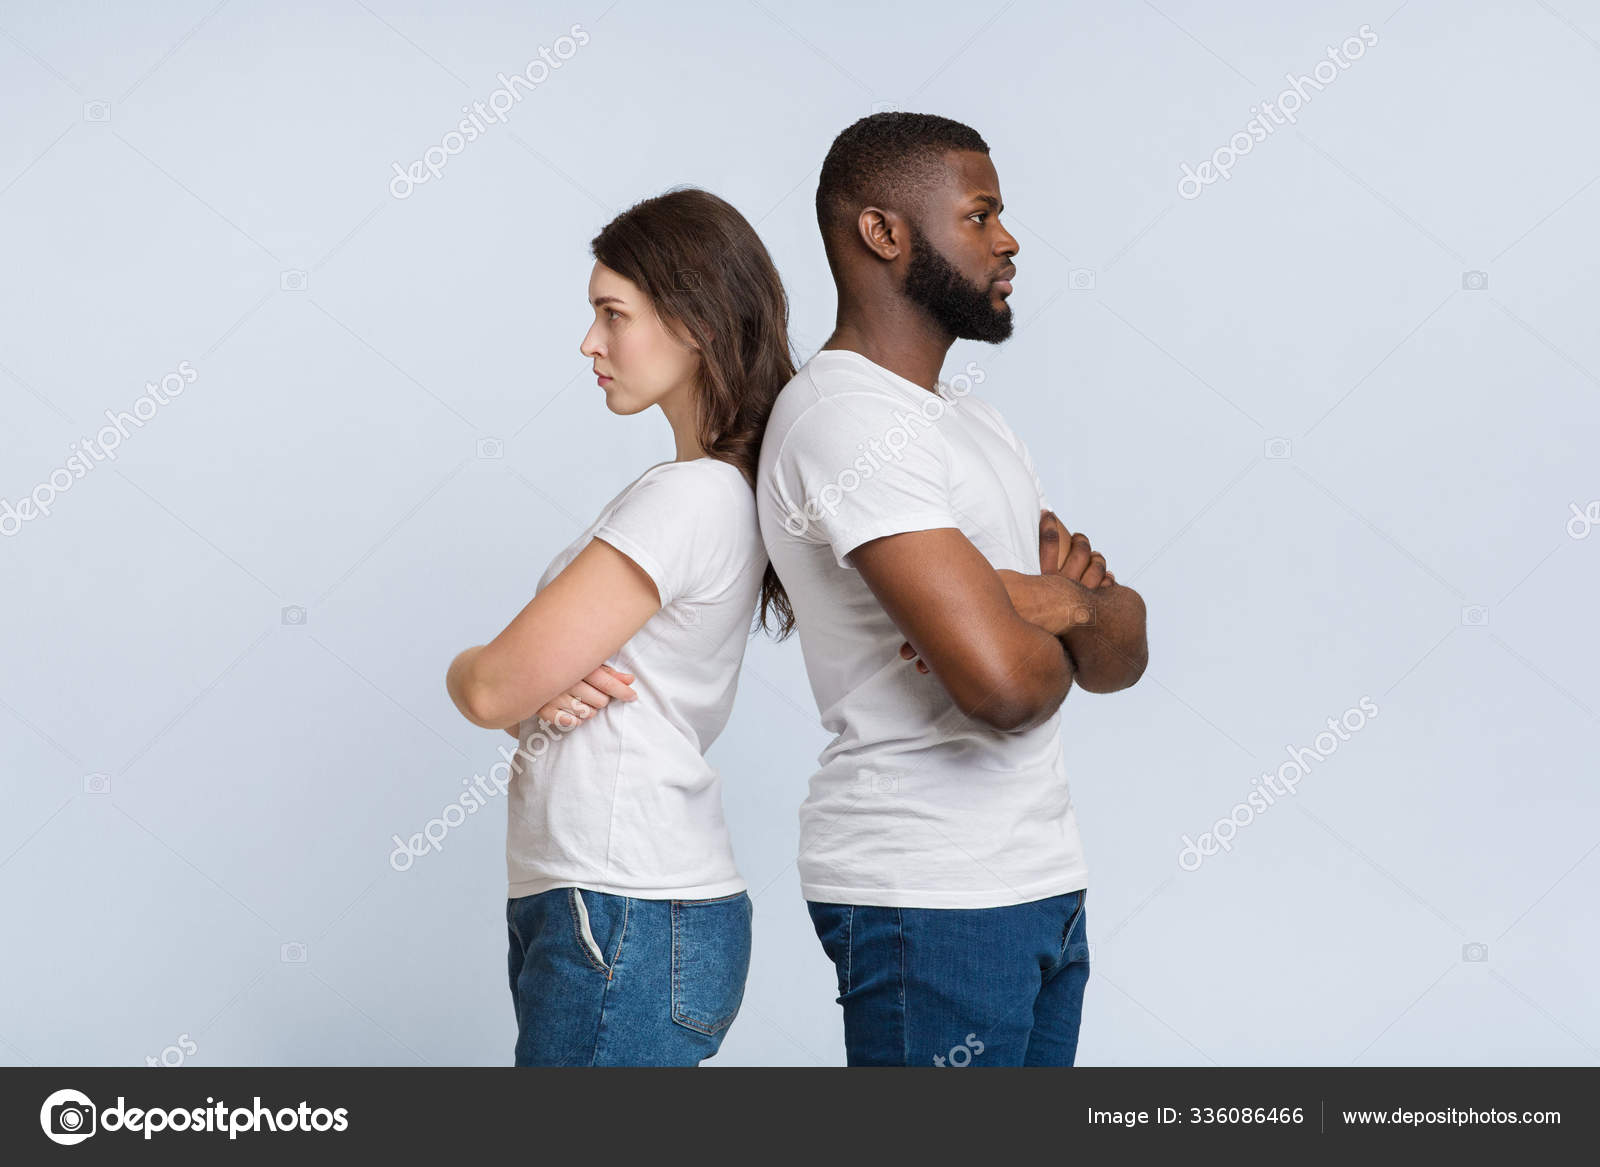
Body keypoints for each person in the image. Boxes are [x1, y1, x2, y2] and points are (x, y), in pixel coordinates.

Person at [755, 113, 1150, 1066]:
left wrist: (1062, 606)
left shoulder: (973, 423)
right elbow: (1005, 690)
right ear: (884, 233)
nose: (1009, 240)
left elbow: (1123, 649)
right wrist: (1045, 620)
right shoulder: (844, 420)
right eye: (981, 216)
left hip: (1040, 881)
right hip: (927, 891)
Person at [445, 187, 797, 1066]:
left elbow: (489, 687)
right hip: (623, 908)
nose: (589, 343)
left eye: (613, 314)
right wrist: (527, 679)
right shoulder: (714, 491)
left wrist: (485, 671)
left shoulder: (686, 497)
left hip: (624, 908)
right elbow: (513, 685)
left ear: (698, 324)